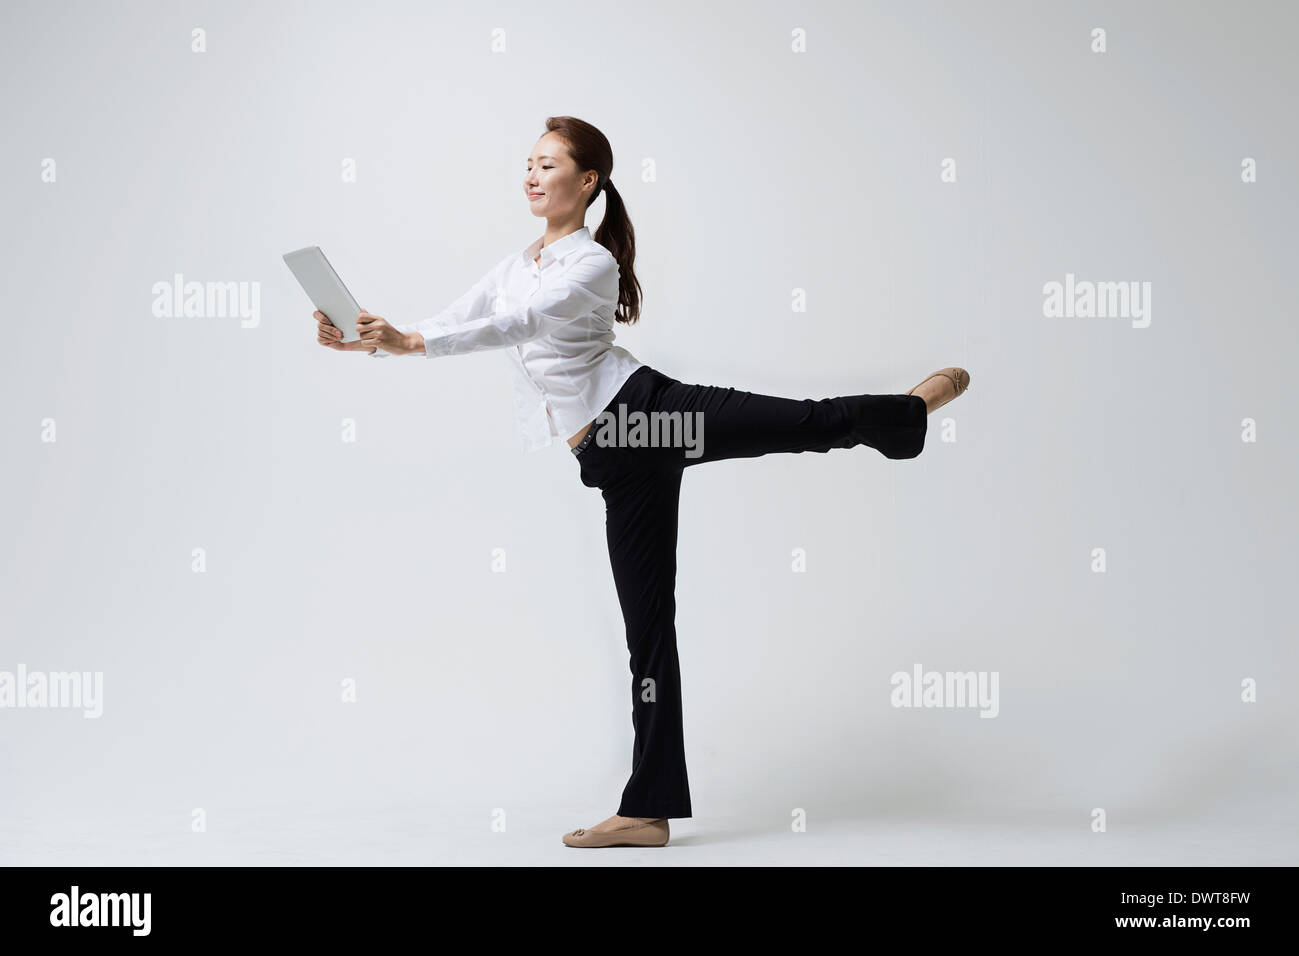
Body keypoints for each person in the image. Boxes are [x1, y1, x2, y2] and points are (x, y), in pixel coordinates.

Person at [313, 116, 971, 849]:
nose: (532, 175)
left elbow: (520, 324)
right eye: (527, 164)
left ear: (587, 182)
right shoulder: (518, 262)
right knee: (647, 632)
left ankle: (907, 410)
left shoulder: (588, 265)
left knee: (796, 423)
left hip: (643, 420)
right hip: (611, 458)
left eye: (549, 164)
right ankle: (649, 810)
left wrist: (410, 340)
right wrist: (370, 339)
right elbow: (457, 320)